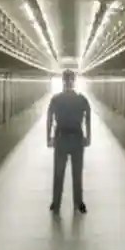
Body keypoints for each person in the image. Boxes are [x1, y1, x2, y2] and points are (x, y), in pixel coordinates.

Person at [46, 69, 91, 214]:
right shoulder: (81, 99)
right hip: (76, 138)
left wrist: (49, 137)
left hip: (61, 138)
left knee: (59, 173)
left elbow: (50, 118)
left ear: (63, 81)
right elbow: (88, 118)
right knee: (77, 173)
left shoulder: (56, 99)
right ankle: (78, 202)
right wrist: (88, 137)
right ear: (73, 81)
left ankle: (56, 202)